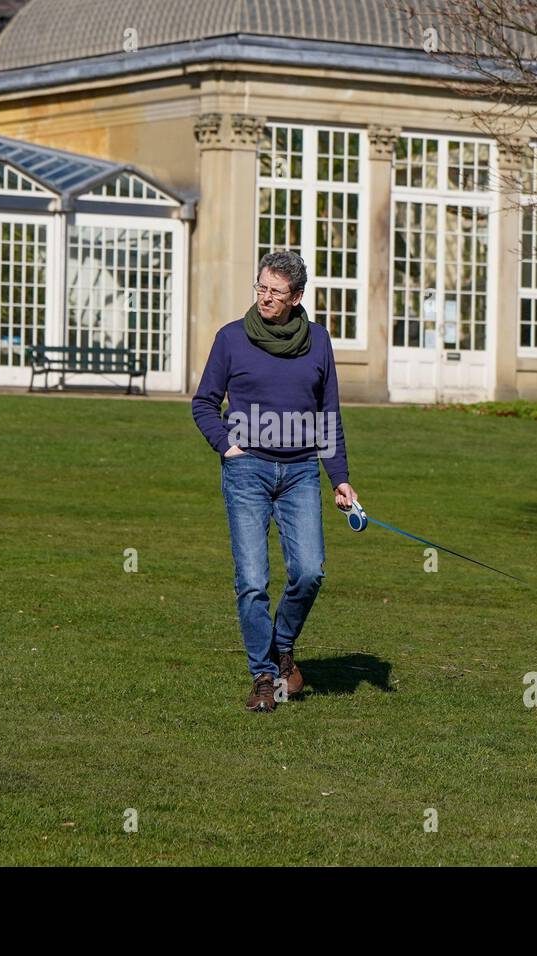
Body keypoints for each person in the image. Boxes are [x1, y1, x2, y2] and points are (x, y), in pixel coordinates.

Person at [192, 251, 357, 713]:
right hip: (247, 470)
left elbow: (329, 416)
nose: (265, 297)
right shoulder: (231, 339)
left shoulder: (319, 342)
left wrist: (339, 479)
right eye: (261, 287)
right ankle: (264, 676)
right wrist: (227, 447)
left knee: (309, 571)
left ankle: (282, 645)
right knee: (252, 579)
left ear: (297, 297)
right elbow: (204, 402)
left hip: (302, 470)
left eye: (275, 292)